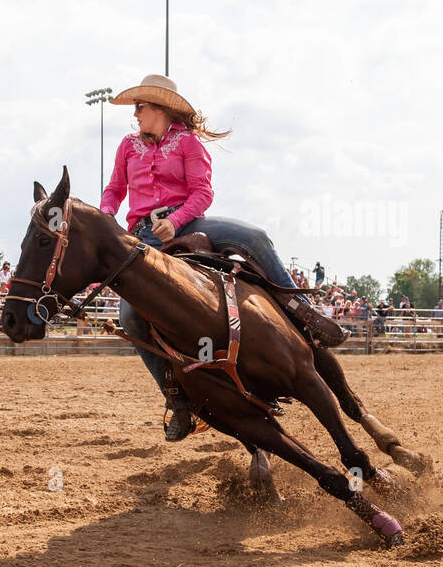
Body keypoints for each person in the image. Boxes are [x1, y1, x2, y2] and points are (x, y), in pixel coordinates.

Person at [100, 73, 347, 441]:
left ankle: (301, 311)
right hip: (143, 235)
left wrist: (177, 220)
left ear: (159, 107)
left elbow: (202, 192)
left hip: (187, 222)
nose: (134, 113)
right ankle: (177, 399)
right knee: (130, 317)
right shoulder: (127, 145)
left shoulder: (187, 142)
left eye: (140, 106)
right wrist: (106, 218)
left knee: (254, 237)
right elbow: (115, 190)